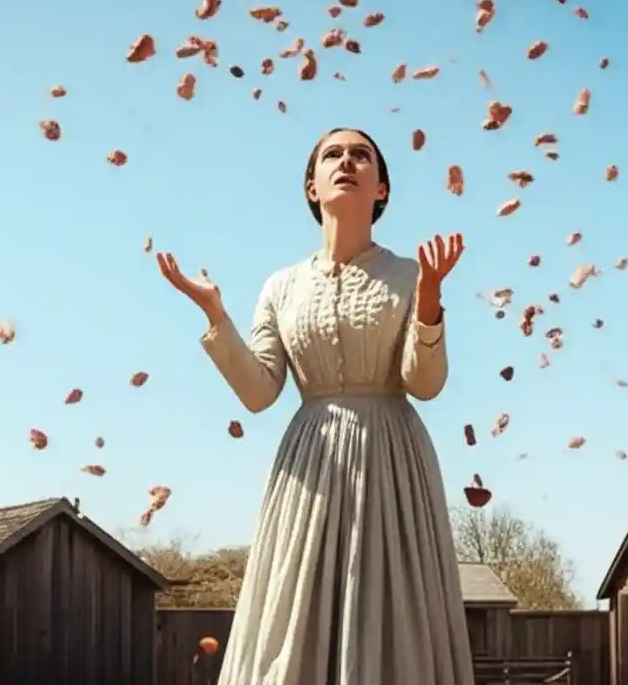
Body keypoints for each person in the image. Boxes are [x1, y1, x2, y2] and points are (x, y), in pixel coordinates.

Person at [156, 127, 474, 684]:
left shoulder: (410, 275)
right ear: (312, 186)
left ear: (381, 189)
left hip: (391, 463)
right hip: (310, 468)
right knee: (294, 616)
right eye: (333, 154)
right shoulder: (282, 286)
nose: (347, 161)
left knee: (391, 613)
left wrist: (429, 300)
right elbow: (260, 392)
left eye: (361, 156)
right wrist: (215, 316)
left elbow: (424, 384)